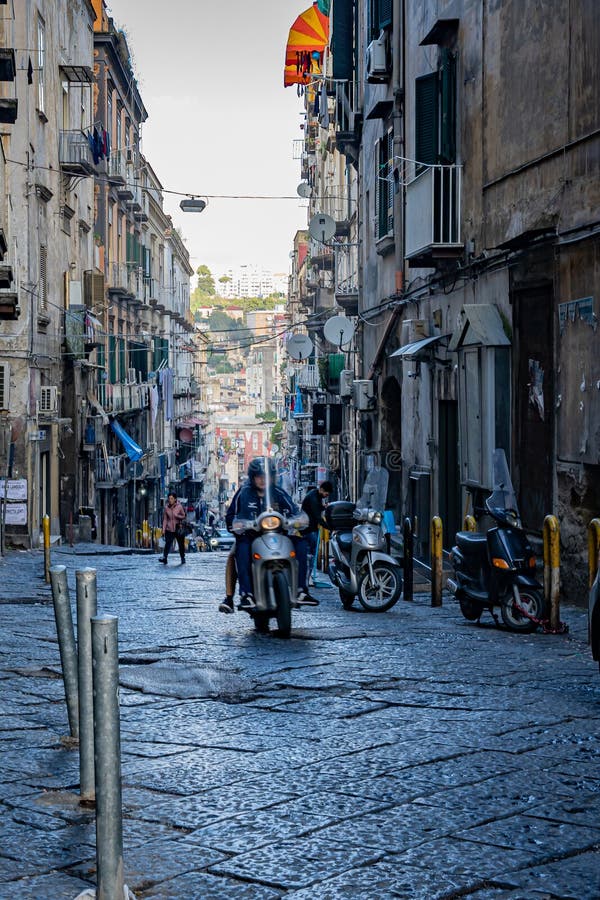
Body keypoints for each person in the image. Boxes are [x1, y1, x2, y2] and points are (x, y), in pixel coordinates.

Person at [232, 458, 318, 610]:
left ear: (273, 477)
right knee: (241, 549)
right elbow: (232, 515)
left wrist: (298, 521)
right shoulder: (243, 493)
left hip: (279, 535)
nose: (263, 480)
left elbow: (295, 512)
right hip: (252, 537)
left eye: (267, 476)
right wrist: (237, 524)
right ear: (252, 477)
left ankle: (301, 590)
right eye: (259, 476)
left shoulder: (279, 493)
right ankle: (246, 594)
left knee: (301, 544)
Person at [301, 480, 333, 580]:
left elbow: (317, 508)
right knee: (311, 554)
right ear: (322, 489)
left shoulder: (316, 495)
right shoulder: (314, 498)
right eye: (326, 493)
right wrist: (330, 527)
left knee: (311, 553)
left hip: (310, 528)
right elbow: (317, 517)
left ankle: (307, 575)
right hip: (309, 529)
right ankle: (307, 576)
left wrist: (323, 507)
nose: (326, 496)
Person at [159, 492, 186, 565]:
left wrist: (177, 516)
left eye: (172, 498)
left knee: (181, 544)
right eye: (169, 498)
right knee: (168, 543)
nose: (170, 500)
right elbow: (165, 519)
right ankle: (165, 558)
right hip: (169, 529)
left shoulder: (179, 506)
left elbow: (183, 516)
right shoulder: (166, 507)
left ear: (175, 499)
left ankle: (182, 558)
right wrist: (163, 530)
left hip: (178, 529)